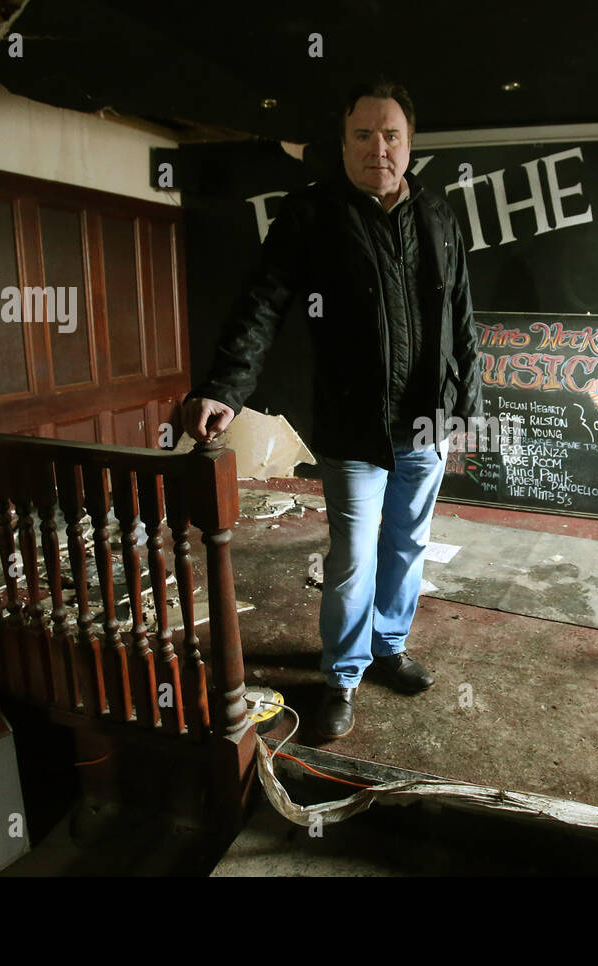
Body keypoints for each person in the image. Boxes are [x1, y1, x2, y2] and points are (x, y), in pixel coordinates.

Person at [182, 79, 481, 739]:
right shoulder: (311, 213)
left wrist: (466, 407)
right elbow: (262, 301)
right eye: (364, 134)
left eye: (391, 134)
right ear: (342, 142)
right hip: (353, 426)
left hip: (425, 423)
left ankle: (389, 648)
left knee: (408, 544)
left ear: (410, 143)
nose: (379, 147)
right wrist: (224, 388)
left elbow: (461, 314)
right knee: (353, 558)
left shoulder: (438, 215)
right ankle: (342, 675)